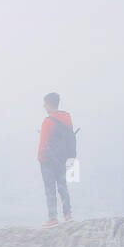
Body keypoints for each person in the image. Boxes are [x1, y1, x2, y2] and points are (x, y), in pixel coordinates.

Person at [37, 93, 75, 226]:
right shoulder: (67, 117)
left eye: (45, 103)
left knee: (50, 189)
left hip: (49, 161)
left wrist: (40, 158)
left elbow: (43, 144)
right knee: (63, 186)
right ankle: (68, 215)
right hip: (63, 159)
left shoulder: (48, 121)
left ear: (49, 104)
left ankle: (53, 218)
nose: (44, 106)